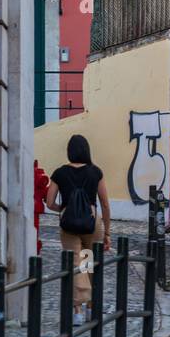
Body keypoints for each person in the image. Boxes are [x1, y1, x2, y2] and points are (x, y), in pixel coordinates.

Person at [45, 135, 111, 324]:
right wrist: (107, 232)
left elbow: (49, 202)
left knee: (76, 264)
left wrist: (63, 209)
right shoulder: (95, 172)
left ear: (69, 151)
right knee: (88, 263)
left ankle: (78, 311)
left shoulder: (60, 173)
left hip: (69, 225)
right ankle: (91, 308)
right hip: (92, 224)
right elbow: (105, 204)